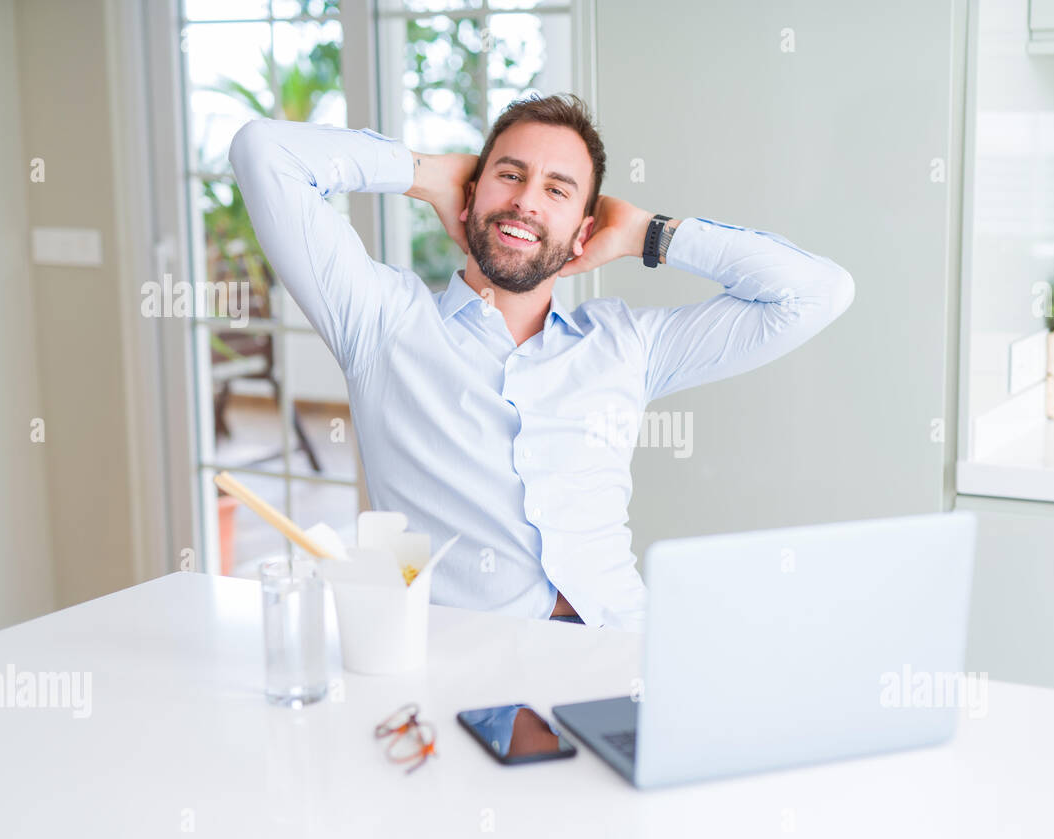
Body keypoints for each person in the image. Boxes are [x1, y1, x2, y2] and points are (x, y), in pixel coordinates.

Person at [229, 93, 854, 633]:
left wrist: (649, 234)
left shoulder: (626, 345)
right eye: (509, 175)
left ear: (584, 233)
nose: (527, 201)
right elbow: (263, 153)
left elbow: (816, 294)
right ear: (468, 196)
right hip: (468, 665)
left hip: (623, 646)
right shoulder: (380, 321)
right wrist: (421, 172)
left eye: (557, 190)